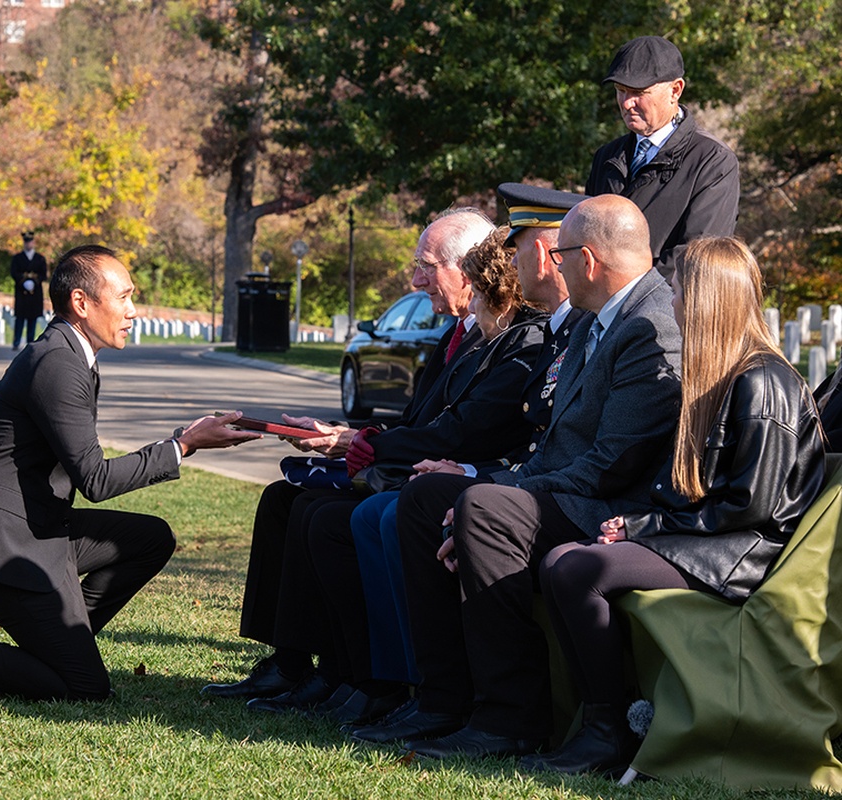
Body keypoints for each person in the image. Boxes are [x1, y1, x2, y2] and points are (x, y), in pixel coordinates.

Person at [0, 245, 260, 700]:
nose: (133, 310)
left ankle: (60, 647)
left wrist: (183, 440)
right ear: (81, 302)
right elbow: (95, 480)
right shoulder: (56, 362)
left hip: (37, 528)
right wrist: (184, 446)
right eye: (123, 297)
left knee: (151, 539)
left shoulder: (71, 355)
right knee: (84, 687)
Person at [395, 194, 683, 759]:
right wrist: (501, 484)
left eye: (562, 255)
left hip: (615, 511)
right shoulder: (595, 319)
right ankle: (443, 699)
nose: (553, 265)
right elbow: (554, 445)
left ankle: (510, 718)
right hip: (569, 490)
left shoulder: (650, 326)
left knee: (484, 509)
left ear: (588, 261)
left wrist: (504, 491)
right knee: (428, 496)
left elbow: (612, 464)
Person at [526, 237, 826, 776]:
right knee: (561, 560)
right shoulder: (722, 376)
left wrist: (646, 525)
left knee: (576, 569)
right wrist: (640, 522)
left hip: (739, 552)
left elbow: (751, 508)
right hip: (709, 537)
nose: (675, 302)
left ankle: (607, 734)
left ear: (709, 300)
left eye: (682, 291)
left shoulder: (764, 381)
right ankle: (597, 722)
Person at [200, 208, 494, 703]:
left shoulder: (502, 336)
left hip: (438, 480)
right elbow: (415, 424)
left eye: (427, 266)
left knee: (322, 516)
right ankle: (290, 662)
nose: (416, 280)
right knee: (281, 499)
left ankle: (350, 672)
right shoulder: (456, 334)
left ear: (467, 270)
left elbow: (454, 435)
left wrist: (358, 442)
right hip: (408, 467)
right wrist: (343, 436)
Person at [341, 186, 587, 743]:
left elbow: (550, 443)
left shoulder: (552, 333)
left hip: (573, 499)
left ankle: (466, 705)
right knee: (375, 505)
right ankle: (407, 688)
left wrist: (483, 477)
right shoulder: (558, 329)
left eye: (516, 249)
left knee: (427, 504)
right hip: (527, 480)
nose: (510, 266)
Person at [302, 225, 548, 725]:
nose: (418, 282)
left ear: (491, 289)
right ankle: (375, 678)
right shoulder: (478, 334)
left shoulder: (523, 339)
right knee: (328, 510)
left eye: (428, 267)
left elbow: (473, 429)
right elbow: (428, 421)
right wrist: (362, 439)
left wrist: (371, 446)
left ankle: (429, 690)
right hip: (455, 469)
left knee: (388, 513)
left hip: (502, 482)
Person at [586, 36, 739, 283]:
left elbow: (698, 256)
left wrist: (626, 296)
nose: (626, 103)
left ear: (675, 90)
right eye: (620, 91)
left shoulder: (713, 162)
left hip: (669, 305)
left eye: (638, 92)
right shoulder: (607, 157)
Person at [11, 232, 49, 350]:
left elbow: (43, 274)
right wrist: (23, 281)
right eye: (26, 242)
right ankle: (16, 342)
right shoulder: (17, 258)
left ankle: (30, 342)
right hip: (22, 292)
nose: (28, 244)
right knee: (20, 319)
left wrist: (35, 282)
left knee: (32, 319)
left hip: (35, 293)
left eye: (30, 242)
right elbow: (14, 272)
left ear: (33, 243)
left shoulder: (40, 258)